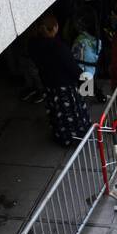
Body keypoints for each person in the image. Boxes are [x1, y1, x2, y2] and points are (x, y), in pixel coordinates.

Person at [28, 13, 91, 147]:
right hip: (65, 87)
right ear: (55, 27)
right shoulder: (58, 47)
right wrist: (87, 82)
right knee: (72, 114)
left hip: (50, 86)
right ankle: (77, 136)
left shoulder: (34, 45)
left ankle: (63, 137)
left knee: (58, 115)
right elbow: (72, 68)